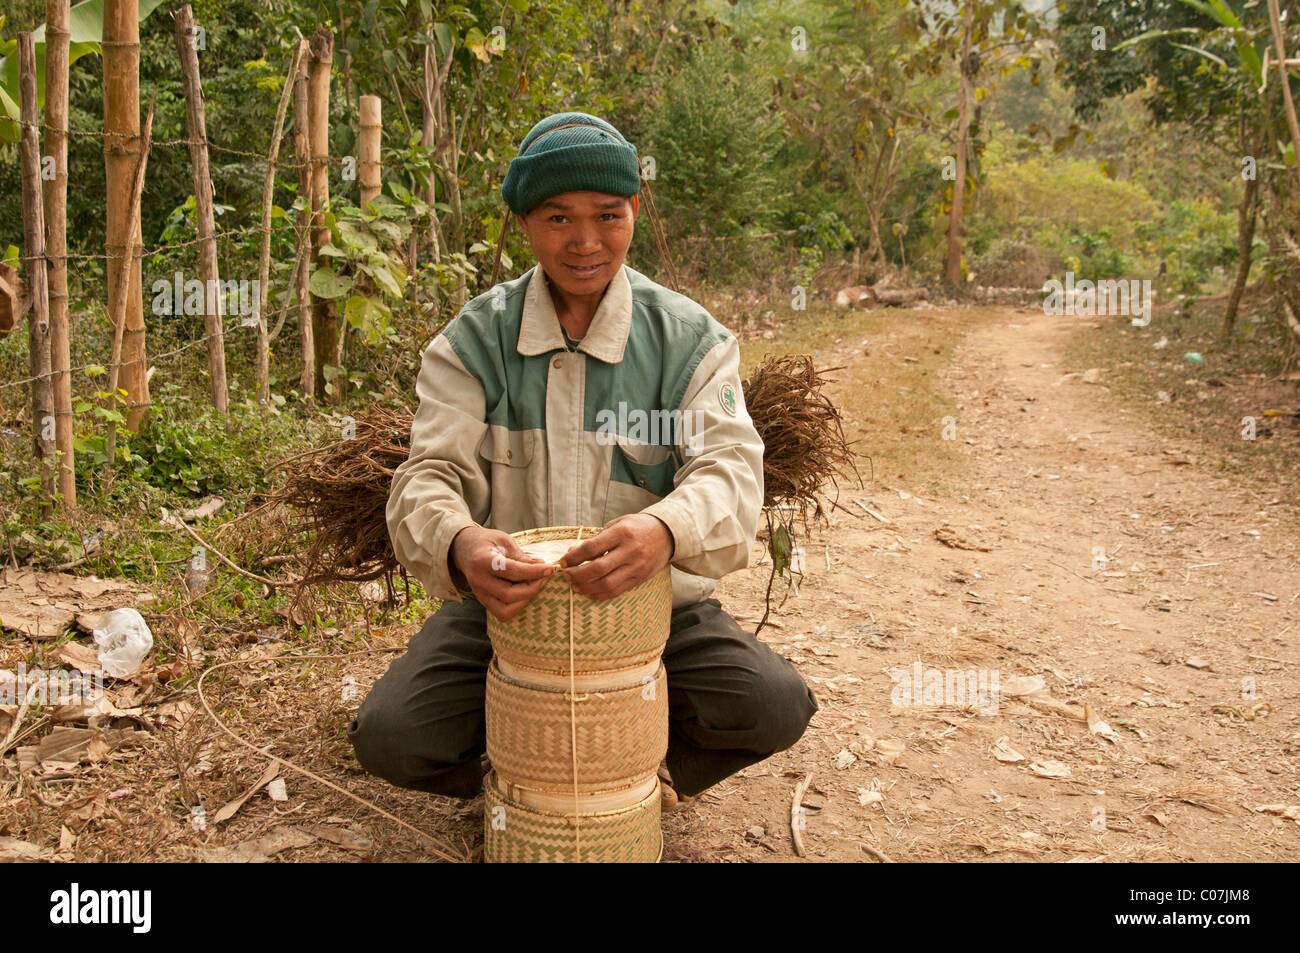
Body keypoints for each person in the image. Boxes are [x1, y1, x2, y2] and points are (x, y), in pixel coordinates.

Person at [347, 111, 817, 811]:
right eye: (558, 218)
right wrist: (462, 543)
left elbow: (731, 470)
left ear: (634, 209)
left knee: (773, 705)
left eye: (607, 215)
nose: (586, 242)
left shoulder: (692, 342)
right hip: (505, 613)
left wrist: (664, 532)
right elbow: (426, 476)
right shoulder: (472, 341)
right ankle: (514, 777)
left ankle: (641, 777)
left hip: (655, 609)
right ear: (525, 223)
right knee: (389, 736)